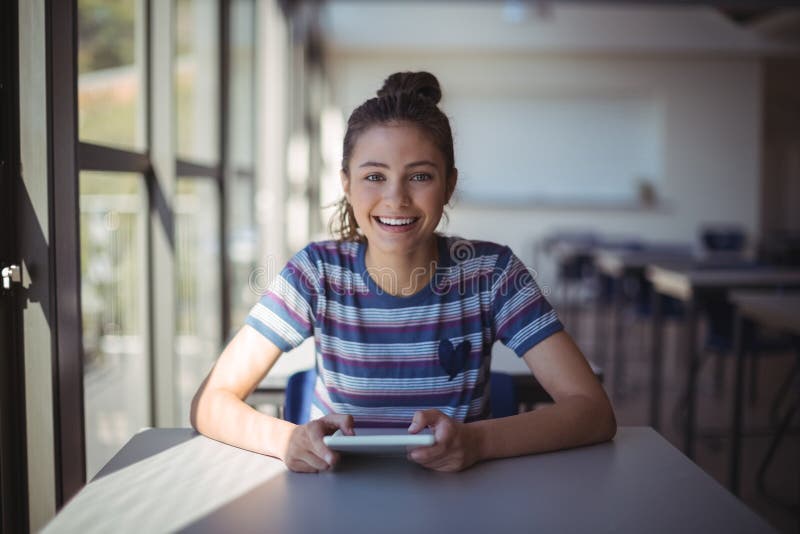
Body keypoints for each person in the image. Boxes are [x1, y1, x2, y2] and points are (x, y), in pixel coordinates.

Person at [191, 71, 616, 474]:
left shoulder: (492, 273)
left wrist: (477, 442)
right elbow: (211, 402)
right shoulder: (315, 273)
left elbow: (593, 410)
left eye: (420, 176)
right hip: (336, 494)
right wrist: (287, 441)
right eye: (374, 176)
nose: (396, 198)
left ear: (449, 184)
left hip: (461, 499)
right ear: (346, 183)